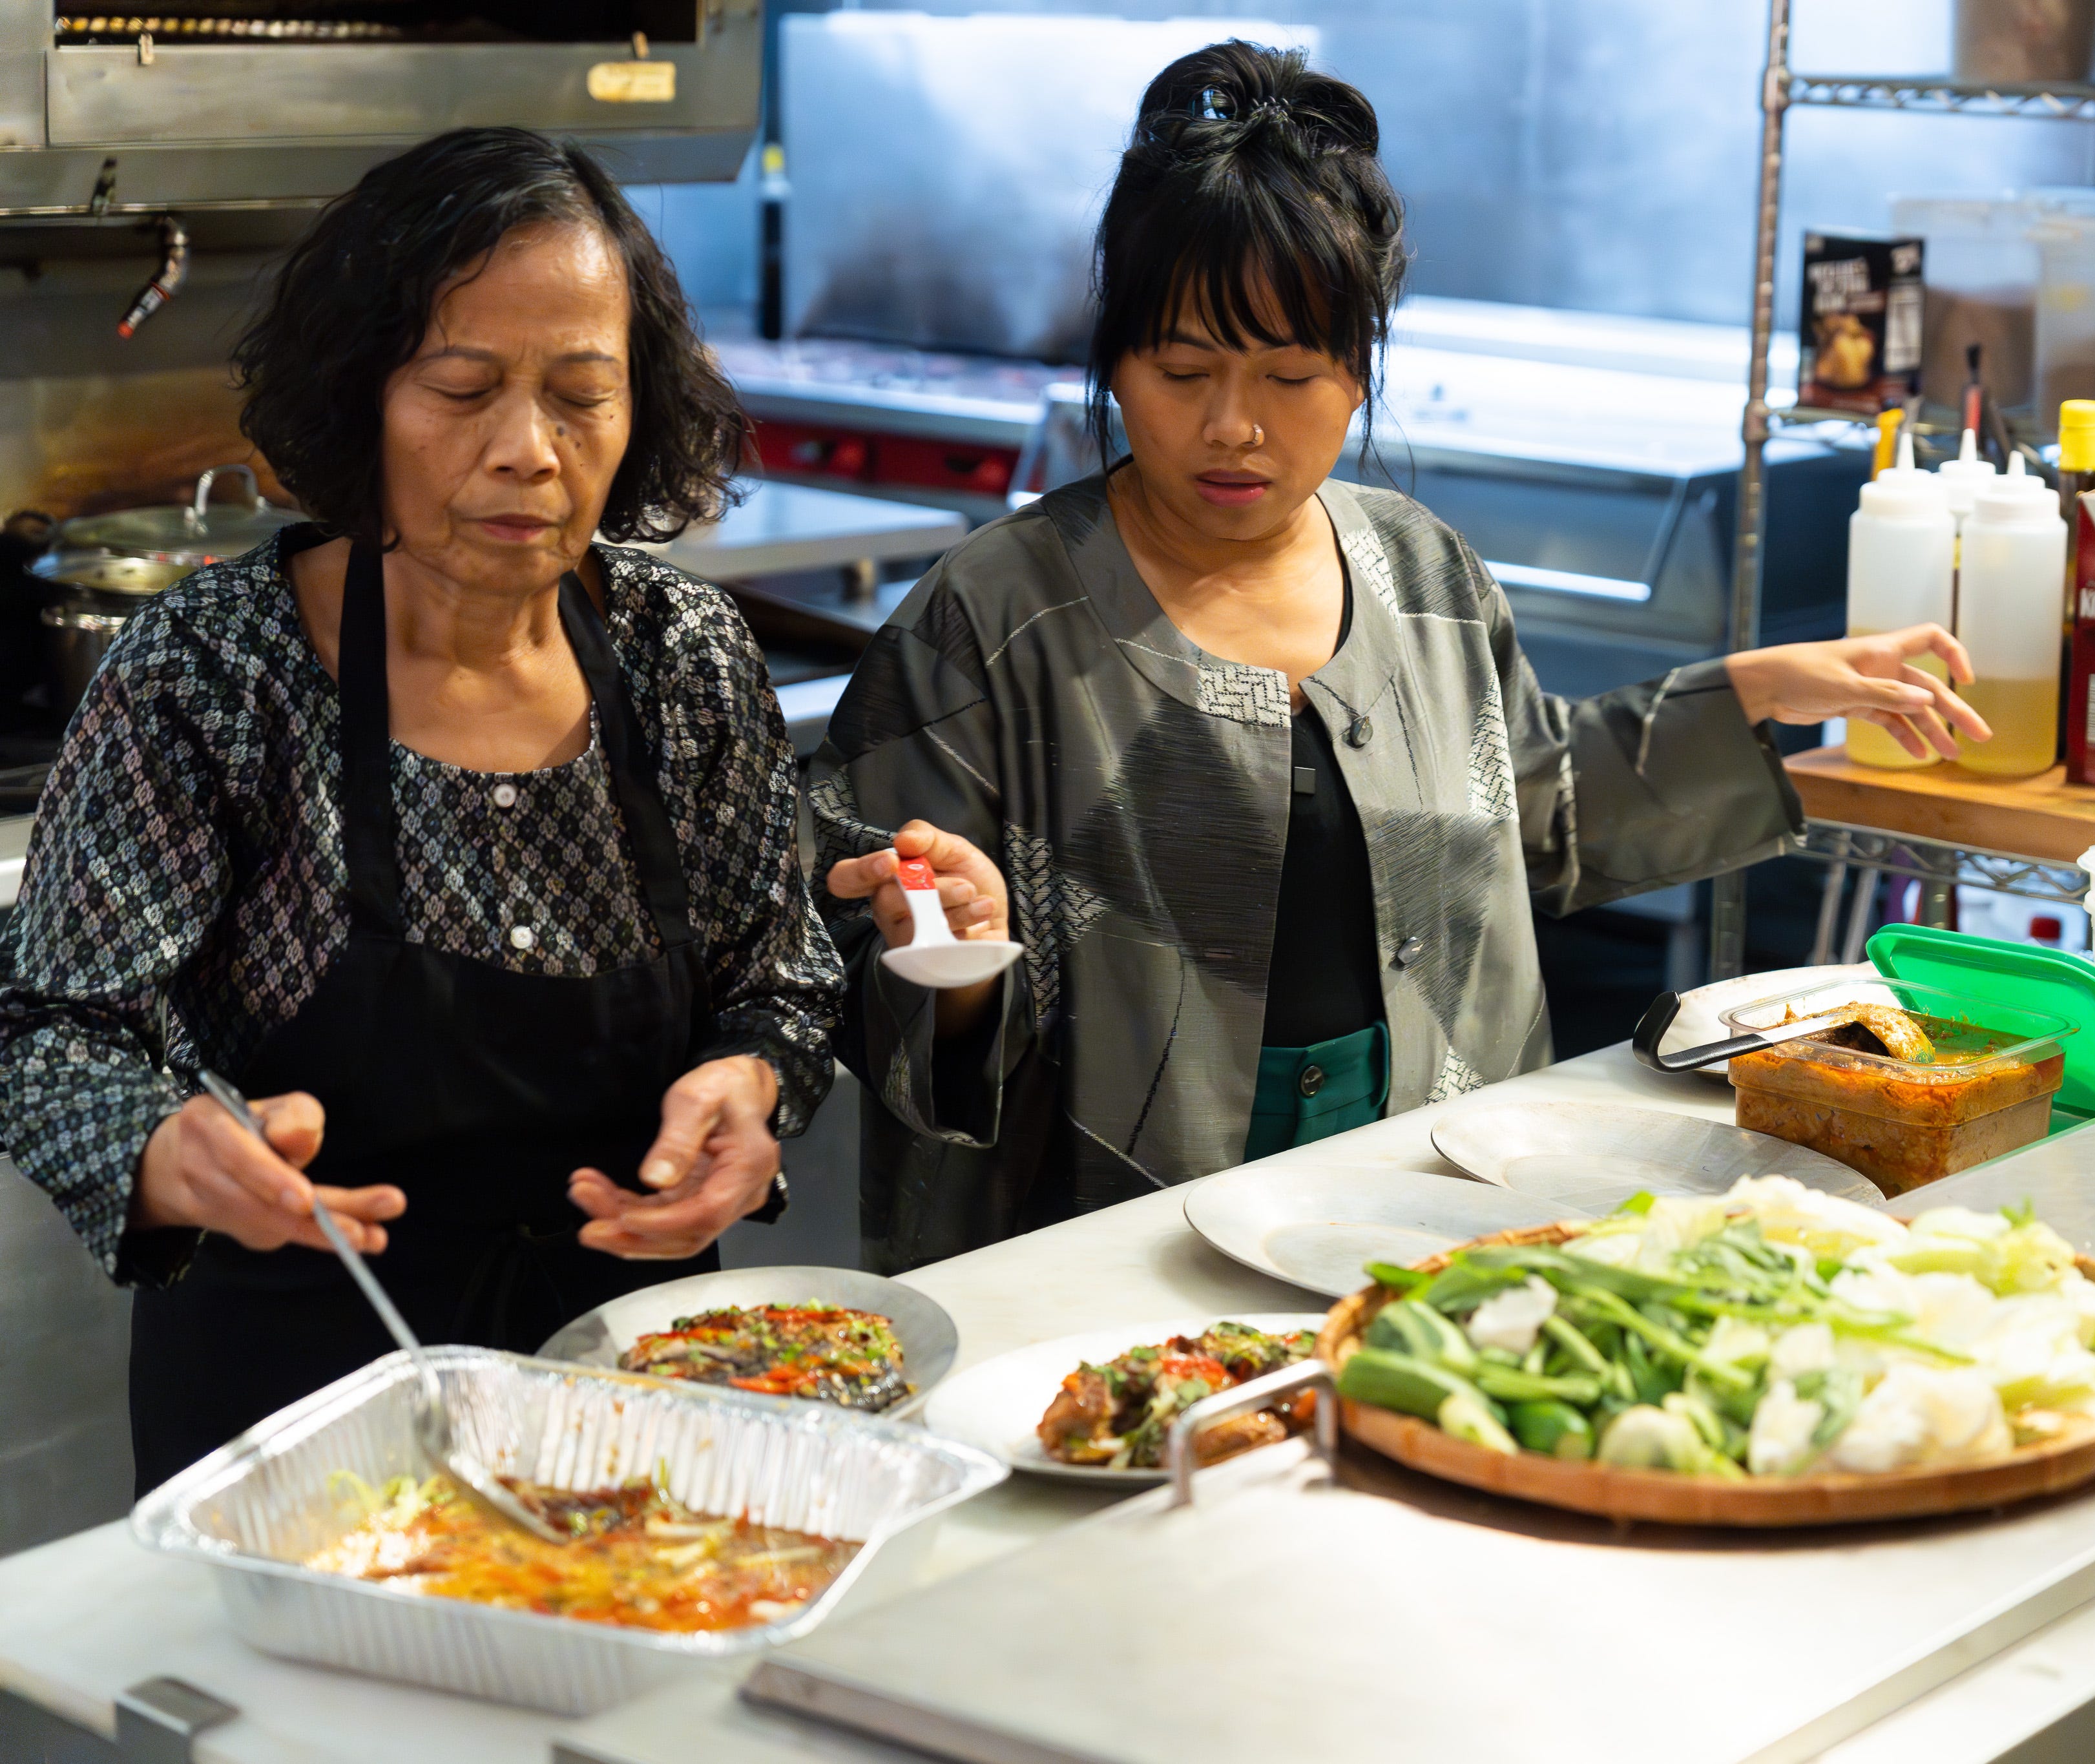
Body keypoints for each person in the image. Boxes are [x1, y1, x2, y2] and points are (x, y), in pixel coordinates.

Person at [815, 41, 1987, 1271]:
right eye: (1182, 372)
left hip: (1427, 1181)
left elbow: (1535, 810)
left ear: (1361, 372)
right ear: (1114, 363)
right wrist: (950, 951)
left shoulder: (1420, 574)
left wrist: (1758, 689)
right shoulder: (996, 618)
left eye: (1290, 375)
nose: (1234, 425)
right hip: (1105, 1222)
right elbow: (849, 955)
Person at [0, 127, 843, 1491]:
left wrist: (749, 1091)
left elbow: (782, 978)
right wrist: (165, 1146)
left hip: (637, 1394)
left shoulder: (681, 652)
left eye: (581, 395)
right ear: (360, 398)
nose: (525, 450)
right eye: (461, 389)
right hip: (298, 1424)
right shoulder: (220, 672)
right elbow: (47, 1025)